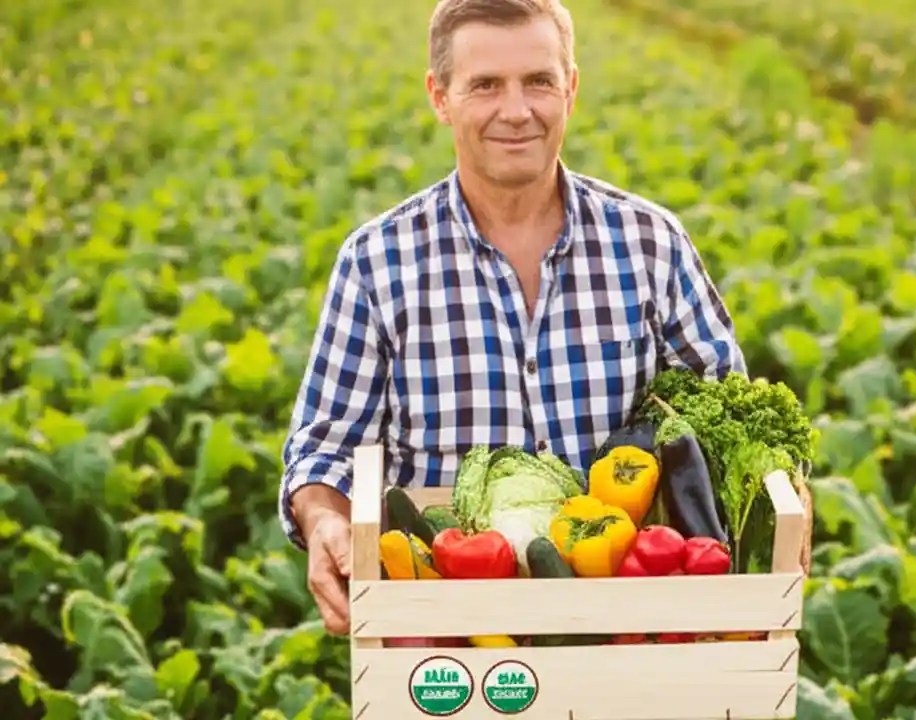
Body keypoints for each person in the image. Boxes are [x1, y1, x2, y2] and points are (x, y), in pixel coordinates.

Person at [278, 0, 746, 637]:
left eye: (539, 82)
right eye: (486, 86)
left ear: (571, 88)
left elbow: (729, 418)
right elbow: (324, 452)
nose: (517, 110)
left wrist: (779, 501)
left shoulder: (650, 243)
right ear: (440, 97)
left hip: (636, 625)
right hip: (450, 640)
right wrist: (327, 521)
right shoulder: (376, 263)